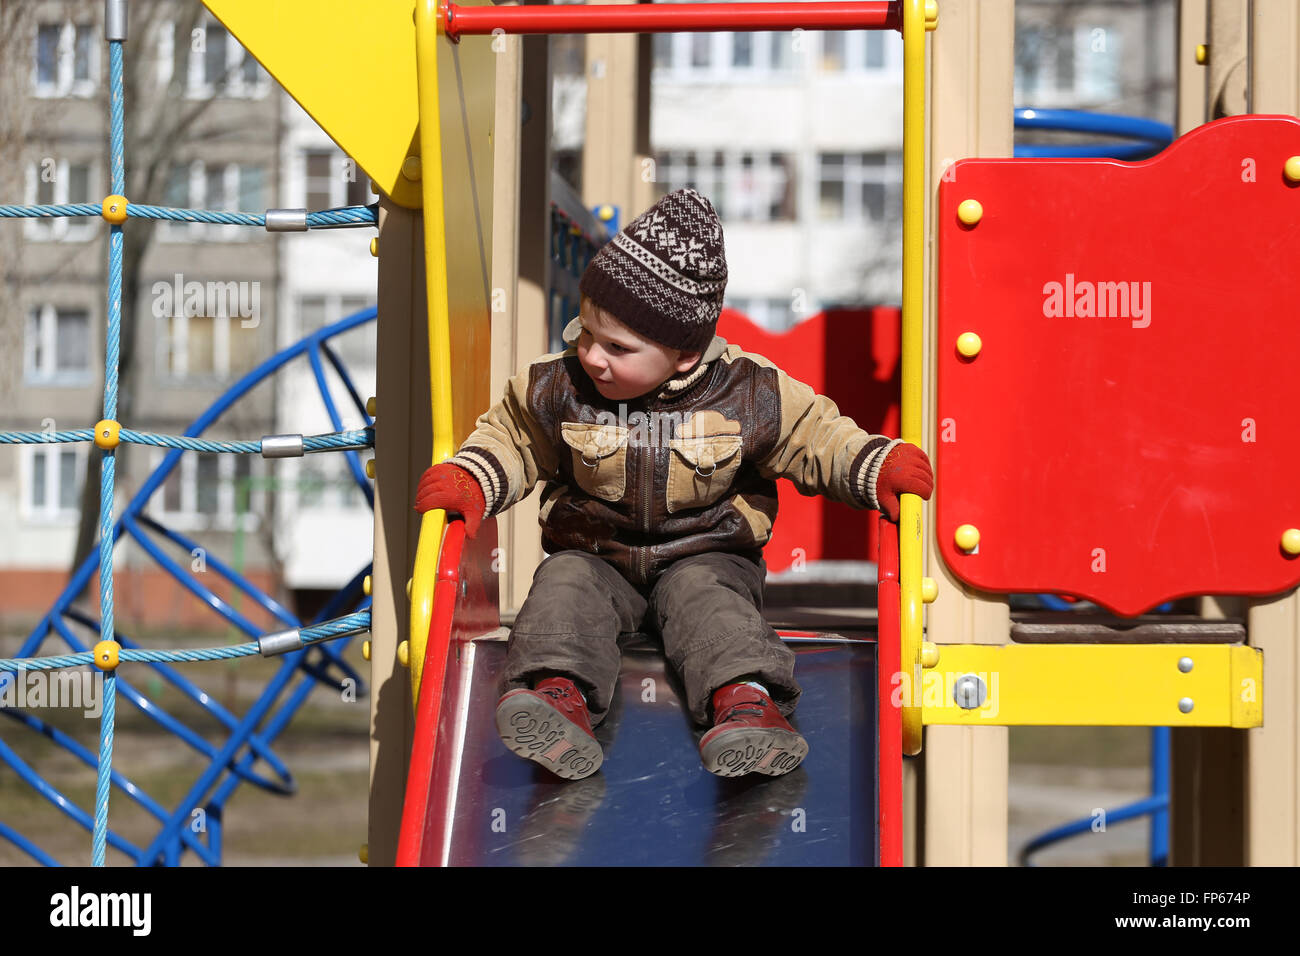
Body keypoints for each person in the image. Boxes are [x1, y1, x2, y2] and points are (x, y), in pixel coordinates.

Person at [414, 187, 933, 781]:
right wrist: (474, 477)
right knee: (562, 590)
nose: (592, 357)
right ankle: (558, 699)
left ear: (685, 356)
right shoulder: (561, 387)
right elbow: (515, 437)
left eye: (617, 347)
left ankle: (746, 707)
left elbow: (817, 437)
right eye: (585, 333)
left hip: (705, 555)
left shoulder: (747, 393)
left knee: (713, 610)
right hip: (596, 555)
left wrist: (874, 466)